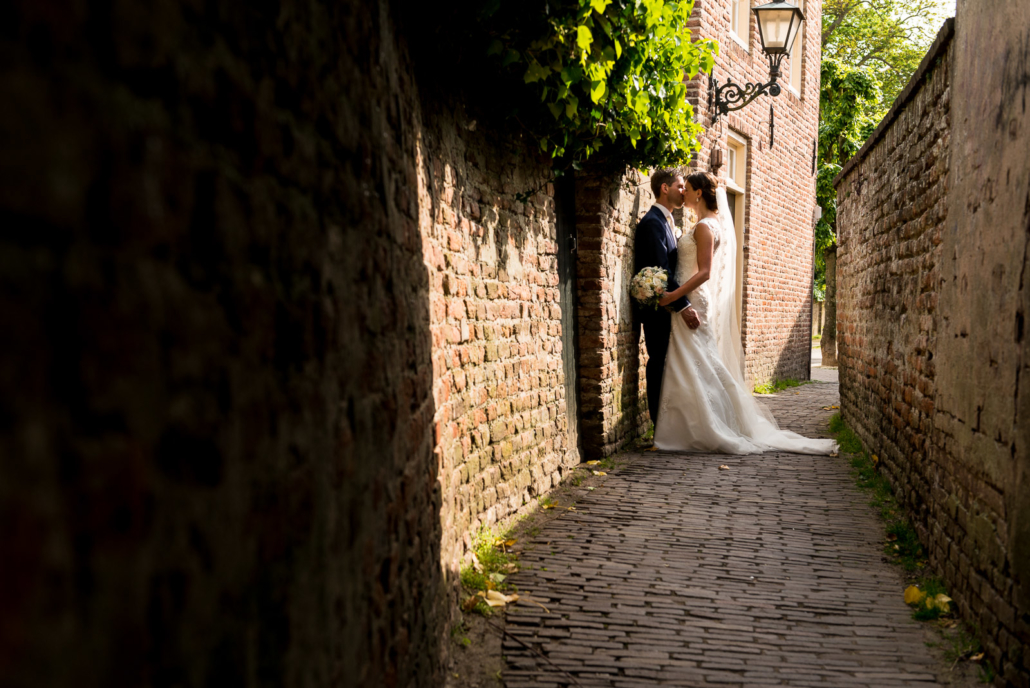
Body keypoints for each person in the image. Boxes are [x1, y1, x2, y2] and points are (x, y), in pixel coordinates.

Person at [651, 170, 836, 455]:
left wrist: (674, 295)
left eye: (686, 188)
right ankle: (696, 423)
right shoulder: (708, 223)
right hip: (693, 298)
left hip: (692, 298)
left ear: (699, 193)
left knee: (696, 360)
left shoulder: (703, 227)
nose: (683, 192)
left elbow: (704, 272)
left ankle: (705, 426)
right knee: (698, 361)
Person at [634, 169, 701, 428]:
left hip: (669, 307)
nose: (683, 191)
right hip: (659, 309)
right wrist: (682, 306)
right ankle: (658, 424)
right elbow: (661, 271)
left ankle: (670, 421)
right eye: (680, 186)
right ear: (665, 188)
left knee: (668, 363)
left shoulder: (668, 221)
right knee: (658, 362)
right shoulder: (652, 222)